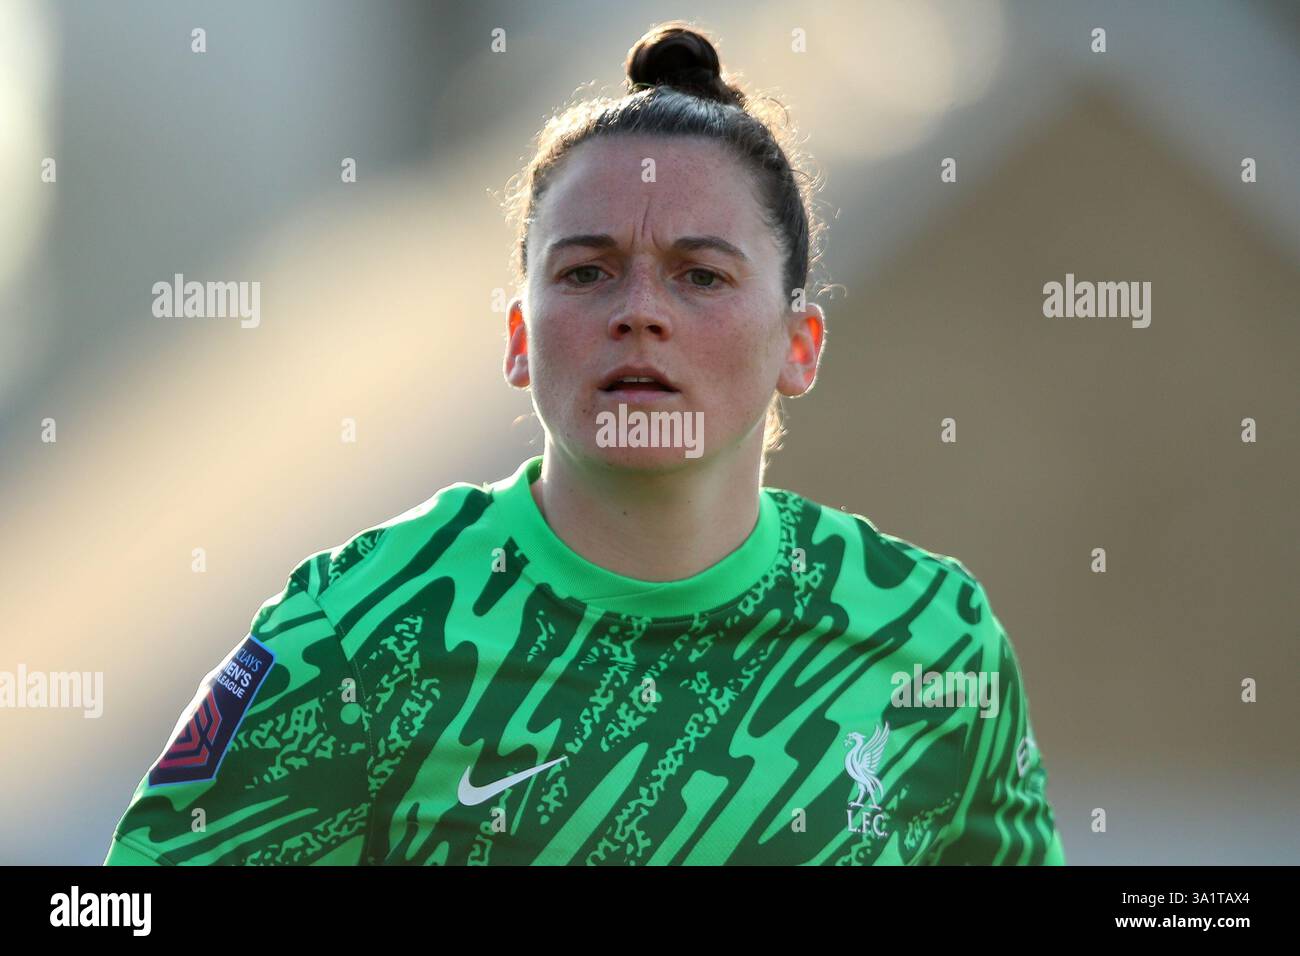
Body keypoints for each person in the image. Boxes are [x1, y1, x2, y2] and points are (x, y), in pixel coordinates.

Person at [104, 20, 1065, 866]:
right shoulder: (365, 626)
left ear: (798, 347)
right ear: (520, 341)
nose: (639, 313)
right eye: (588, 272)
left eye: (700, 276)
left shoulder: (936, 638)